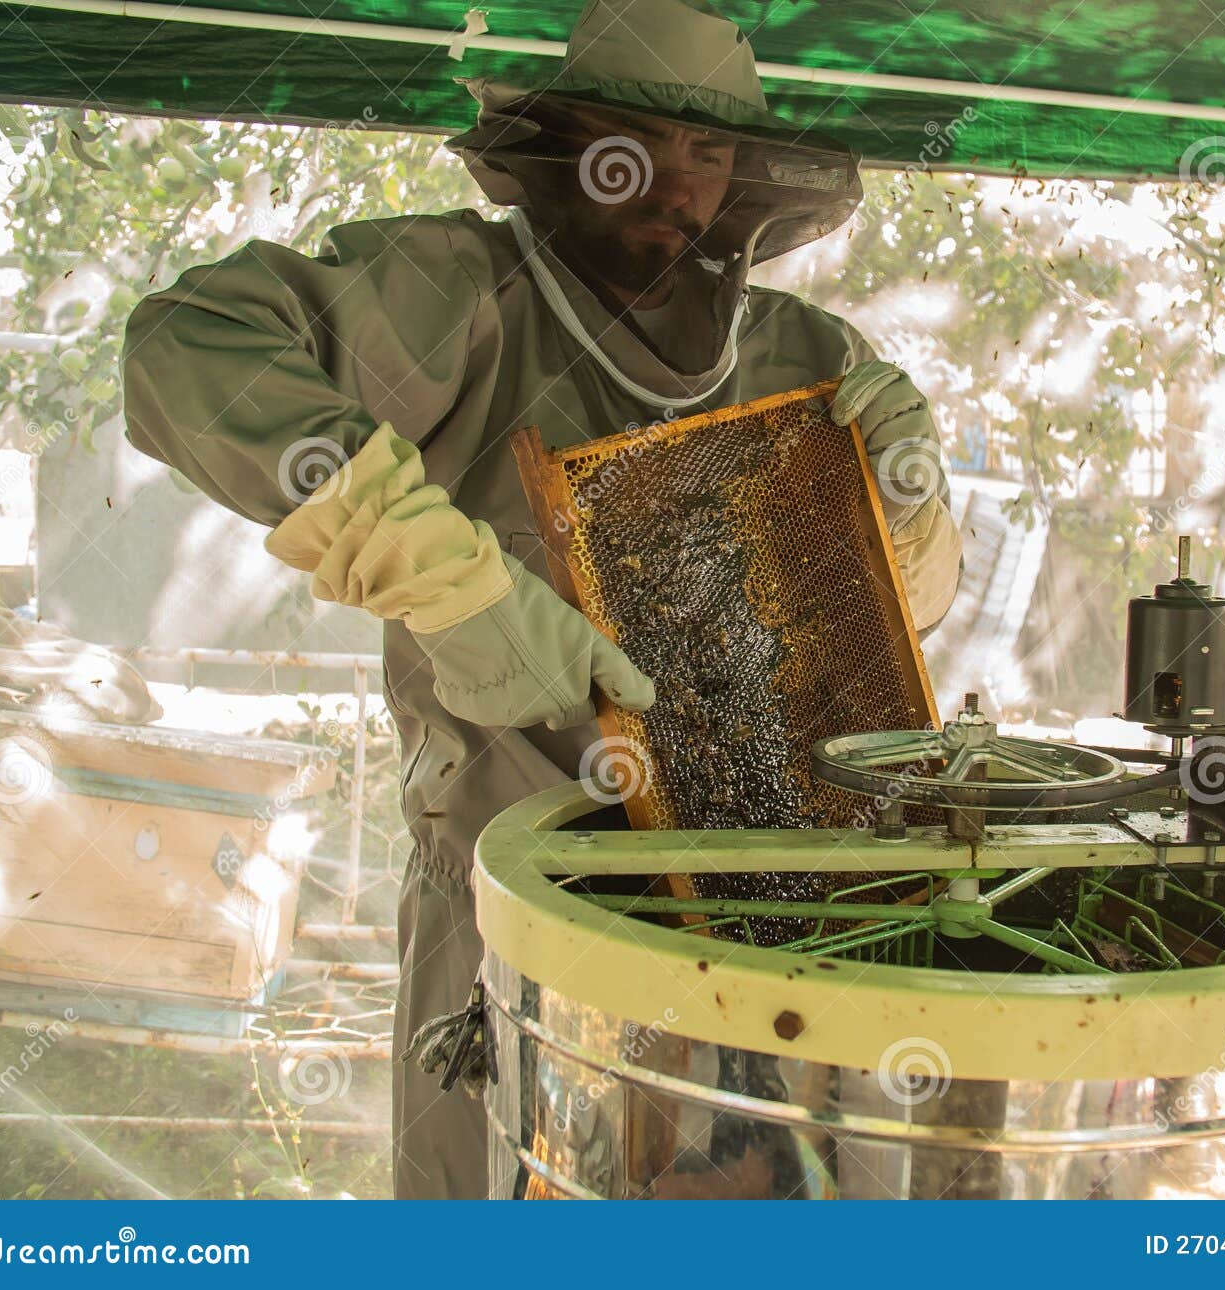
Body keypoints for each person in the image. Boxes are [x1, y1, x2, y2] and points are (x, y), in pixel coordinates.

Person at [121, 0, 962, 1199]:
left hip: (781, 930)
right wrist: (442, 579)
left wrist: (912, 502)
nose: (676, 184)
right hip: (508, 912)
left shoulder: (809, 354)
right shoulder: (458, 295)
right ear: (566, 145)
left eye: (710, 154)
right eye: (641, 141)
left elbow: (909, 611)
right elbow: (185, 351)